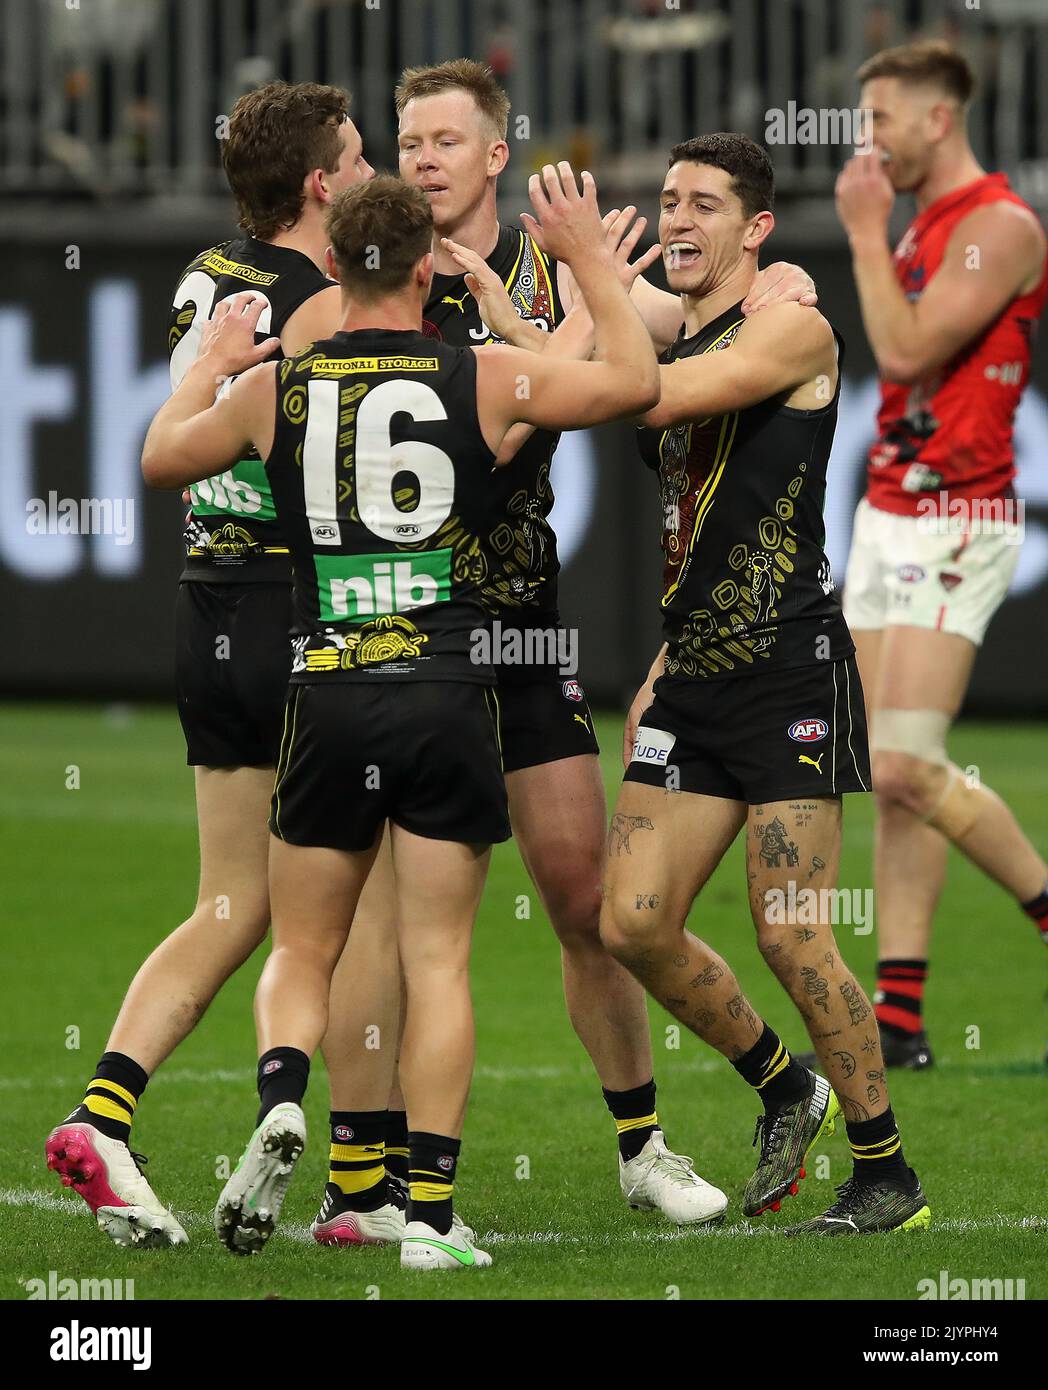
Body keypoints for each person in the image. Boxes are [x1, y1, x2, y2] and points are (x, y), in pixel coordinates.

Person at [320, 59, 816, 1227]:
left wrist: (780, 282)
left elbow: (700, 324)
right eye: (408, 138)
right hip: (402, 627)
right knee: (393, 914)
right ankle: (371, 1170)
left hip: (523, 627)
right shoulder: (376, 276)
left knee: (587, 896)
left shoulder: (555, 267)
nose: (422, 157)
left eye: (445, 138)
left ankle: (643, 1146)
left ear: (497, 155)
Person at [138, 165, 662, 1269]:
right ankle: (427, 1217)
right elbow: (628, 381)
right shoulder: (477, 373)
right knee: (438, 958)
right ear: (428, 270)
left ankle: (284, 1093)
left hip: (323, 692)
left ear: (330, 267)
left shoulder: (276, 391)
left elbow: (158, 459)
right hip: (444, 688)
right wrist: (588, 266)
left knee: (305, 943)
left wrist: (216, 370)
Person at [44, 80, 409, 1249]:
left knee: (230, 900)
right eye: (357, 158)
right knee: (355, 907)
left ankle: (106, 1111)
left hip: (205, 607)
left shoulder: (208, 279)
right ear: (319, 184)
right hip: (299, 615)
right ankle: (354, 1168)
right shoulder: (320, 303)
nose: (373, 171)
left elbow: (178, 426)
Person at [597, 132, 929, 1235]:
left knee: (792, 930)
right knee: (632, 924)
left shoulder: (795, 323)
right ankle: (786, 1084)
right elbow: (591, 349)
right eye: (667, 200)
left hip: (788, 666)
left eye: (703, 203)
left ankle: (884, 1175)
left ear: (755, 230)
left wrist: (593, 278)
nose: (676, 217)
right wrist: (557, 283)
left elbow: (643, 395)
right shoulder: (671, 317)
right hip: (691, 675)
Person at [835, 40, 1048, 1068]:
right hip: (887, 511)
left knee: (905, 761)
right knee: (891, 775)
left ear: (936, 117)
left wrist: (865, 236)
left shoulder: (999, 226)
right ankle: (903, 1014)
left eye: (879, 117)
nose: (866, 139)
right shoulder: (927, 223)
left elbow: (908, 352)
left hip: (956, 517)